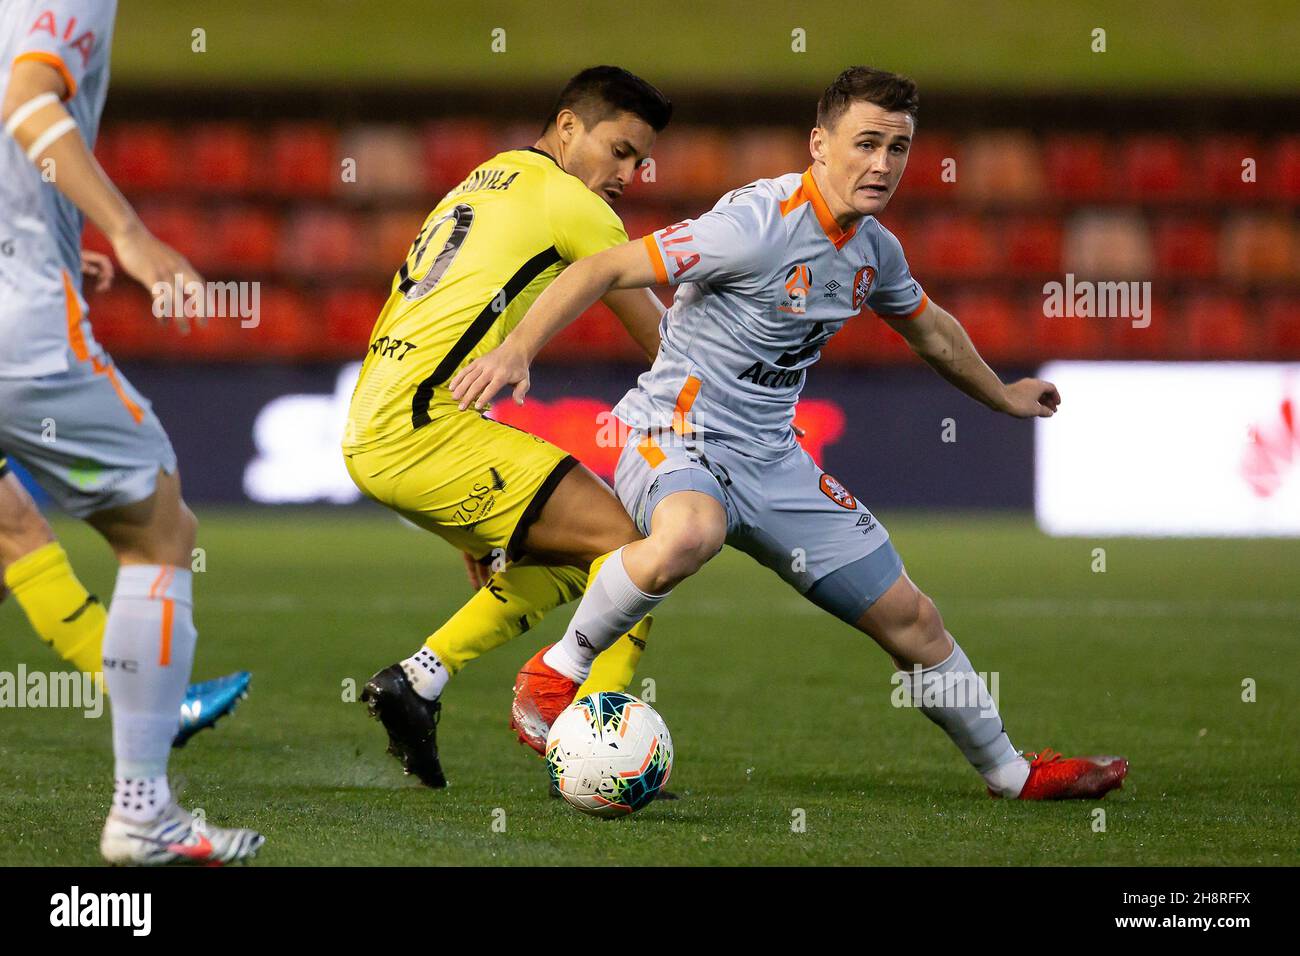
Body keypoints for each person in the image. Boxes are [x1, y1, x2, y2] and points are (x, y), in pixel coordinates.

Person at [452, 66, 1129, 800]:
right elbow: (604, 267)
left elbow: (931, 331)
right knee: (690, 532)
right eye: (865, 143)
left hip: (773, 460)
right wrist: (518, 348)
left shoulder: (875, 252)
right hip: (673, 433)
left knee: (913, 620)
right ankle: (556, 674)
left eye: (897, 148)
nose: (881, 164)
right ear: (819, 144)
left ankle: (1012, 774)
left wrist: (1001, 394)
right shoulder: (754, 224)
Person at [344, 66, 672, 788]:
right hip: (425, 429)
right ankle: (599, 738)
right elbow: (665, 345)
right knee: (635, 550)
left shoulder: (484, 177)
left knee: (567, 559)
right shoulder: (575, 205)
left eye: (640, 161)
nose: (628, 173)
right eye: (619, 151)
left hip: (380, 424)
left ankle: (418, 681)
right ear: (566, 128)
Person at [0, 0, 263, 862]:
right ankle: (141, 813)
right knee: (158, 525)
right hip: (22, 337)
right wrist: (131, 232)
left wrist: (49, 239)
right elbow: (28, 102)